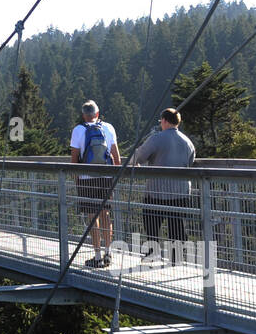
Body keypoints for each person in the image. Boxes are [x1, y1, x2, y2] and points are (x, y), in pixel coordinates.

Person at [132, 108, 197, 264]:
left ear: (165, 121)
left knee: (151, 222)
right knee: (177, 226)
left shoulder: (156, 138)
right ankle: (177, 259)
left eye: (161, 121)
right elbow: (190, 162)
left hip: (157, 190)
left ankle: (152, 253)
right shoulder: (187, 141)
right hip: (180, 191)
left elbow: (139, 157)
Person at [70, 100, 120, 267]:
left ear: (84, 115)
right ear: (97, 114)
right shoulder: (108, 128)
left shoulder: (78, 130)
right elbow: (116, 156)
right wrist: (114, 177)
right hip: (106, 177)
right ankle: (108, 253)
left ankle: (97, 256)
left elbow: (74, 158)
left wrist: (76, 178)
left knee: (92, 216)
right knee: (105, 213)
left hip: (87, 178)